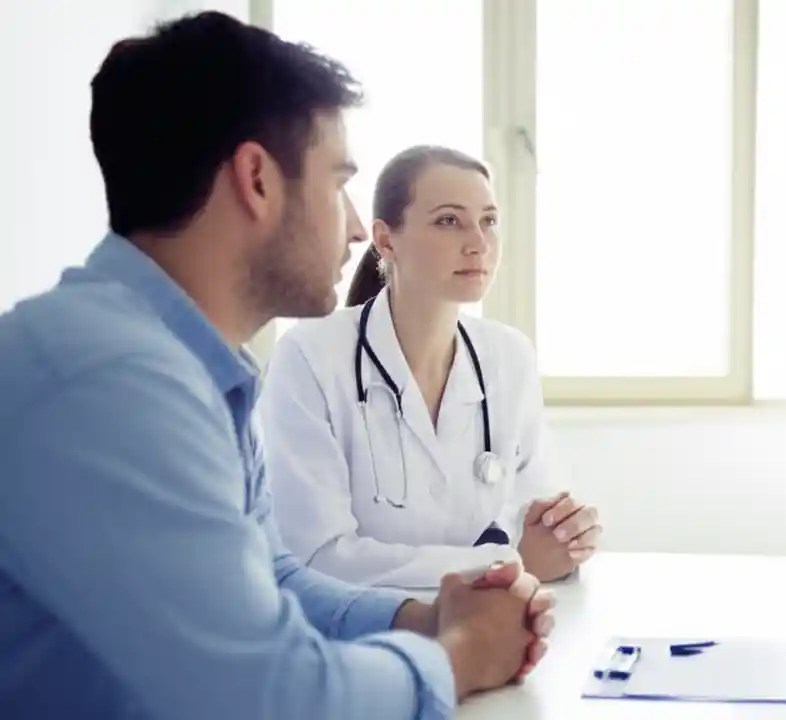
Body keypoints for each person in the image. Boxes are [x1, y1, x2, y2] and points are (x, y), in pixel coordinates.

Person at [0, 12, 553, 719]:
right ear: (257, 180)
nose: (356, 227)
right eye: (337, 184)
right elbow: (273, 698)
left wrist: (421, 617)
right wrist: (456, 658)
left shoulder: (186, 368)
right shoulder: (106, 380)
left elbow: (276, 578)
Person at [258, 145, 602, 588]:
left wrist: (569, 534)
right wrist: (504, 565)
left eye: (489, 221)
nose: (478, 243)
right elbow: (318, 558)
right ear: (386, 240)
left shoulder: (509, 357)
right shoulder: (309, 356)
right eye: (448, 220)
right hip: (357, 635)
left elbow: (535, 525)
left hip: (488, 627)